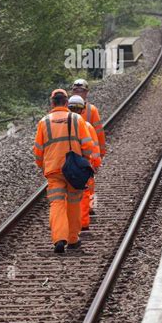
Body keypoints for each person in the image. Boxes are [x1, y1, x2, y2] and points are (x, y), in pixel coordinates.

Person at [33, 89, 95, 254]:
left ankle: (59, 239)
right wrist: (85, 162)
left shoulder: (43, 122)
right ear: (66, 103)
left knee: (57, 203)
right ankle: (73, 239)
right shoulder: (77, 119)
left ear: (52, 103)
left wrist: (43, 166)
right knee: (74, 203)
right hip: (73, 170)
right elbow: (88, 145)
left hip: (54, 170)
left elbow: (38, 151)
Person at [68, 95, 101, 230]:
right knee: (84, 193)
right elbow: (93, 148)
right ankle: (83, 223)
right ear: (82, 110)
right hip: (82, 165)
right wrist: (95, 164)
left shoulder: (62, 124)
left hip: (66, 165)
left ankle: (69, 223)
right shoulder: (87, 126)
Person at [72, 78, 106, 162]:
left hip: (87, 150)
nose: (79, 94)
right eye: (76, 91)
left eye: (81, 91)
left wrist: (101, 152)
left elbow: (99, 133)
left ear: (86, 92)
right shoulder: (65, 109)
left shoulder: (92, 110)